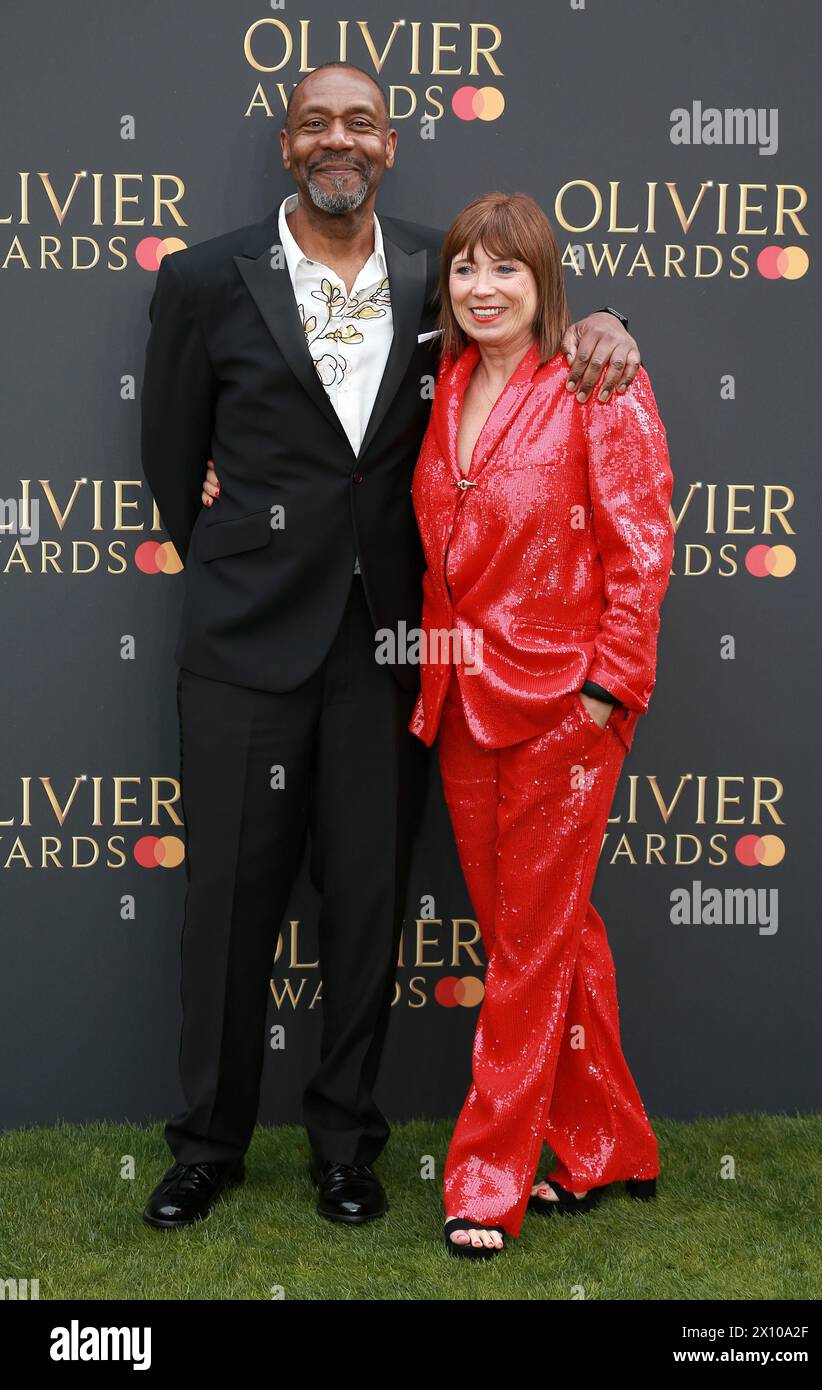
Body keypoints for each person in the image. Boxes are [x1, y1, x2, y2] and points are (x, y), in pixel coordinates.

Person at [141, 60, 646, 1231]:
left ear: (390, 144)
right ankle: (209, 1144)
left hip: (395, 653)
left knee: (368, 904)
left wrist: (612, 321)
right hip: (245, 649)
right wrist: (240, 551)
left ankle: (344, 1146)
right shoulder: (207, 278)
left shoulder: (439, 269)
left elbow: (534, 329)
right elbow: (172, 466)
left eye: (360, 123)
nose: (339, 140)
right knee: (228, 905)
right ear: (285, 145)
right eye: (315, 122)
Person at [407, 191, 674, 1258]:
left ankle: (486, 1175)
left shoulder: (600, 382)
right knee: (554, 934)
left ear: (543, 283)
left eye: (506, 270)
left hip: (568, 707)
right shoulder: (447, 382)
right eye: (467, 267)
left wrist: (608, 691)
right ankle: (609, 1140)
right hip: (462, 700)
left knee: (523, 948)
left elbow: (641, 549)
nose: (482, 286)